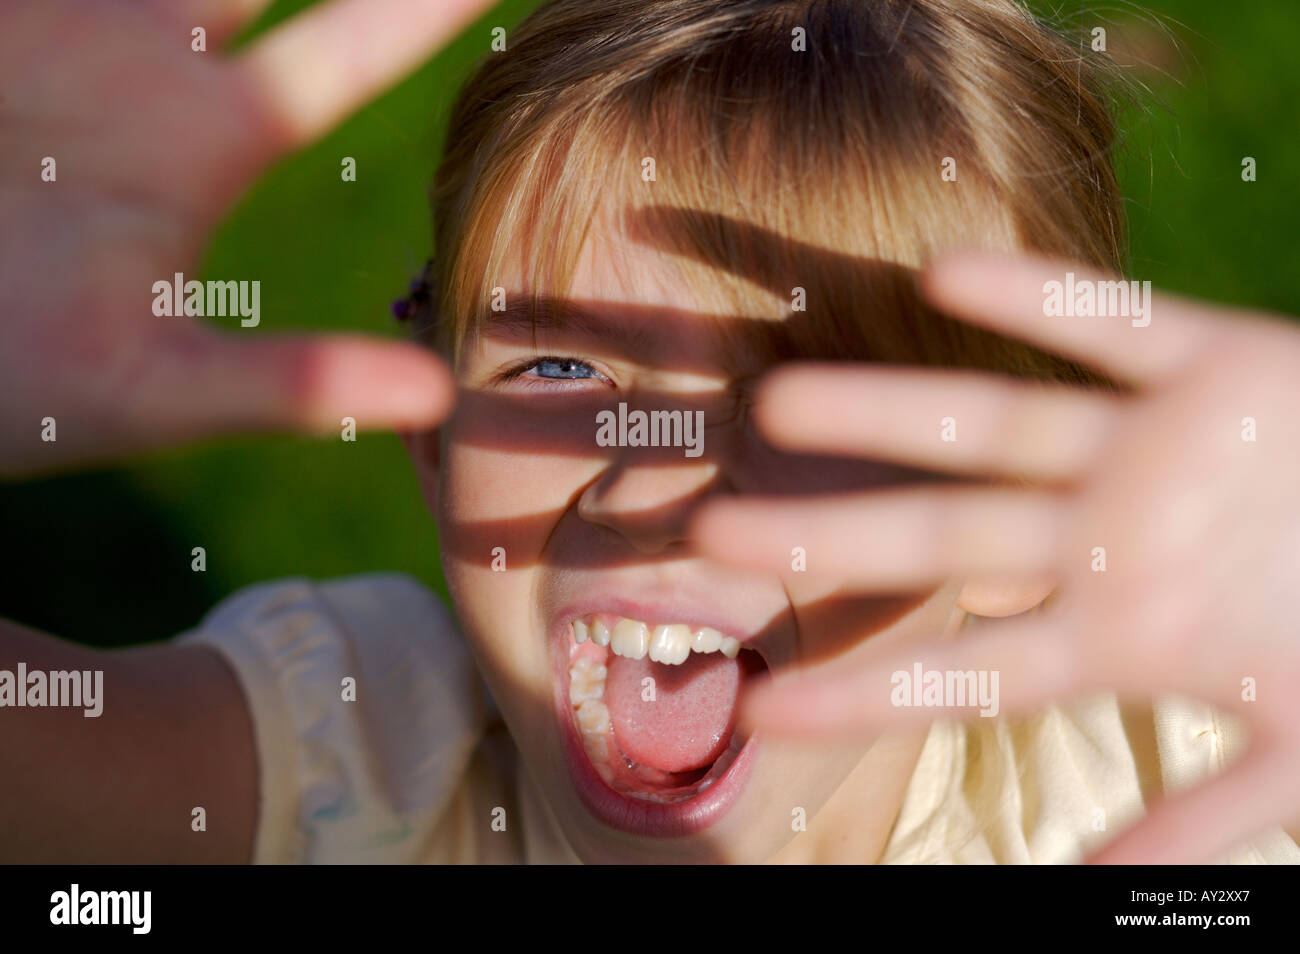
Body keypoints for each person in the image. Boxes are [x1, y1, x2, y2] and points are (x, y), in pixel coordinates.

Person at [2, 0, 1298, 864]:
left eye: (818, 389)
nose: (657, 479)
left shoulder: (1175, 773)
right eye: (560, 363)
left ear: (1032, 517)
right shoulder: (376, 750)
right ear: (434, 439)